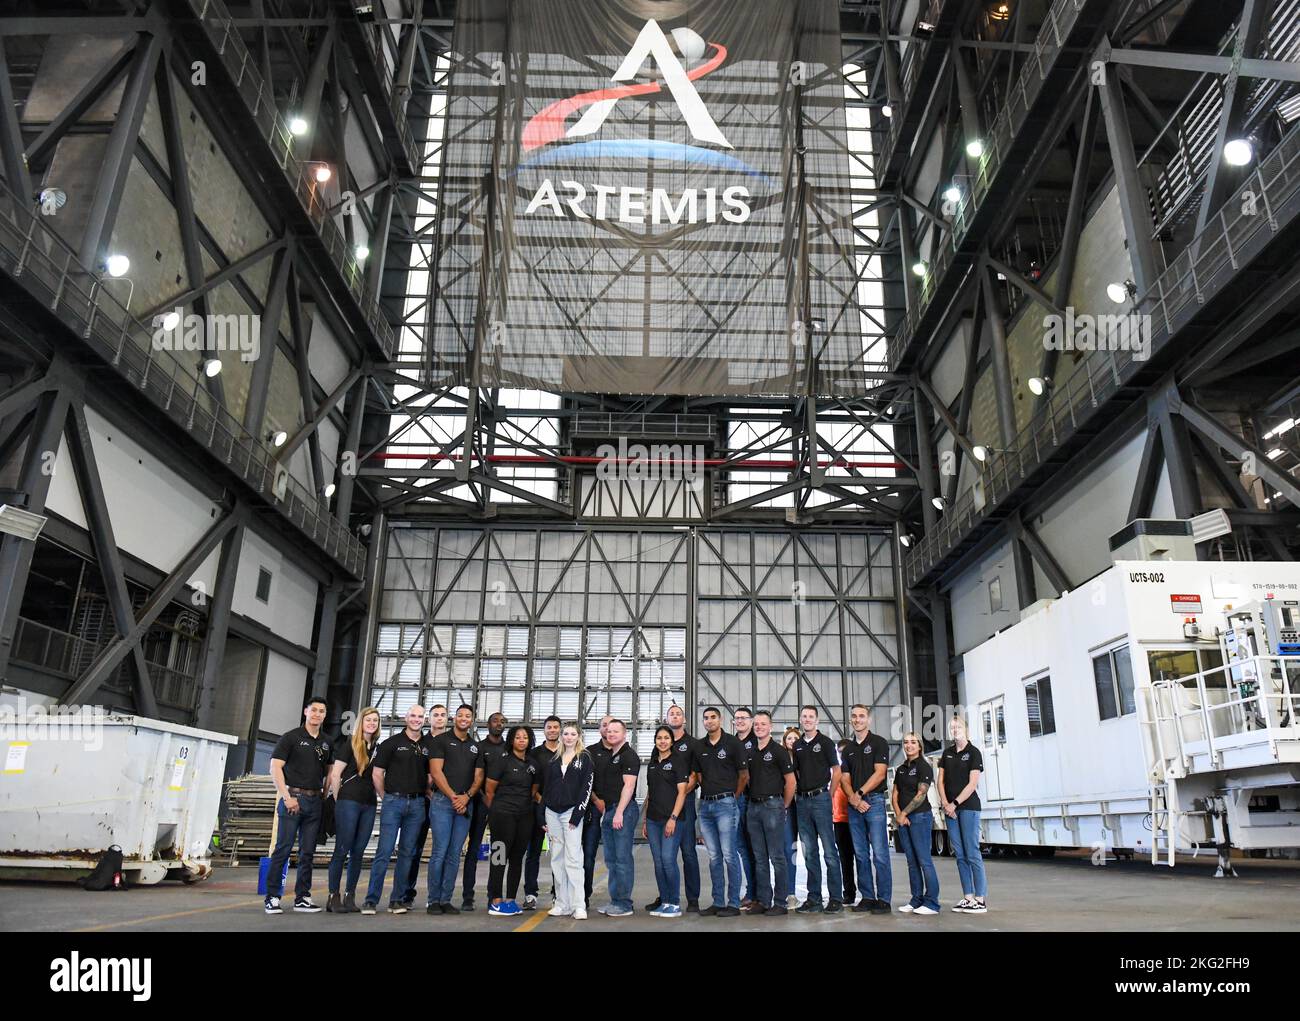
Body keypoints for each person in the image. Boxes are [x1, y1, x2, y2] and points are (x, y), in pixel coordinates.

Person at [265, 697, 332, 913]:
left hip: (315, 802)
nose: (317, 714)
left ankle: (302, 897)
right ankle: (273, 897)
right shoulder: (291, 737)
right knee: (283, 849)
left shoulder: (326, 741)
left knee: (308, 853)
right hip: (292, 799)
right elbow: (275, 768)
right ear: (306, 712)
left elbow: (331, 770)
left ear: (325, 715)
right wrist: (286, 797)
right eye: (313, 710)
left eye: (321, 711)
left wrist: (325, 792)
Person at [361, 705, 430, 914]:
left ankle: (397, 900)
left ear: (424, 720)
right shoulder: (391, 743)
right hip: (394, 802)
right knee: (384, 851)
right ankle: (371, 900)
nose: (416, 720)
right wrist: (386, 797)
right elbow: (377, 773)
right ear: (405, 718)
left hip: (417, 805)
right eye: (413, 716)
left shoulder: (429, 746)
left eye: (420, 717)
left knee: (408, 853)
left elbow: (430, 775)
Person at [425, 704, 485, 914]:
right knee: (439, 852)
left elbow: (479, 777)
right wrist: (453, 797)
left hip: (464, 805)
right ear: (454, 718)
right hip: (443, 802)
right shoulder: (440, 741)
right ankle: (433, 900)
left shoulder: (476, 747)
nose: (464, 718)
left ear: (472, 720)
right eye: (460, 715)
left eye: (468, 716)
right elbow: (435, 771)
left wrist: (466, 797)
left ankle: (445, 899)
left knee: (454, 854)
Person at [694, 706, 748, 917]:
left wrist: (730, 798)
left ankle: (733, 904)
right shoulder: (699, 746)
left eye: (713, 717)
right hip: (705, 806)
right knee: (714, 856)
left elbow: (744, 775)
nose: (709, 721)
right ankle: (718, 901)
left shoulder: (733, 743)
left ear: (721, 719)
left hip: (726, 805)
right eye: (706, 718)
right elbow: (698, 775)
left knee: (729, 855)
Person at [791, 707, 845, 914]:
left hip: (821, 798)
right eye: (804, 717)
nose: (807, 720)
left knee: (830, 852)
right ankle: (814, 899)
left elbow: (837, 771)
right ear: (800, 720)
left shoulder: (825, 743)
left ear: (817, 720)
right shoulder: (796, 745)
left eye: (811, 717)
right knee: (810, 852)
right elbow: (795, 772)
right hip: (802, 802)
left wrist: (828, 795)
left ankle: (836, 898)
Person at [647, 704, 700, 913]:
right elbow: (652, 786)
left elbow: (695, 775)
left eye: (678, 713)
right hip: (657, 810)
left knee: (687, 852)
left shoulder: (692, 744)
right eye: (671, 714)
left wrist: (676, 805)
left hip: (681, 804)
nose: (675, 716)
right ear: (667, 718)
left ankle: (691, 899)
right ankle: (666, 898)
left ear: (684, 719)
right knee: (661, 859)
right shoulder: (655, 754)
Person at [839, 703, 892, 914]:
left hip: (875, 801)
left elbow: (880, 773)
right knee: (860, 854)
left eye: (861, 716)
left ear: (868, 719)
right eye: (854, 716)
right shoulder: (848, 749)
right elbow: (844, 778)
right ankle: (867, 897)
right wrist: (853, 799)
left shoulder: (879, 743)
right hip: (854, 805)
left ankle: (884, 899)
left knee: (879, 853)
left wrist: (859, 795)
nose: (857, 719)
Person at [326, 705, 380, 913]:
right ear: (361, 722)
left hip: (369, 803)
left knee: (358, 852)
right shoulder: (350, 744)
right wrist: (340, 799)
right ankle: (333, 896)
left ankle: (350, 895)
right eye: (368, 720)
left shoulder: (377, 747)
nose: (372, 723)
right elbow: (335, 774)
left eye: (375, 720)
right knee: (343, 848)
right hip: (349, 801)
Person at [743, 712, 795, 915]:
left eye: (763, 724)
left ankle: (780, 903)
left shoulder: (779, 751)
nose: (759, 727)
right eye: (756, 724)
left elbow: (790, 782)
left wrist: (784, 805)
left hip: (773, 806)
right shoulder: (750, 751)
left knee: (777, 856)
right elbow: (746, 778)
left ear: (770, 727)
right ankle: (763, 901)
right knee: (759, 857)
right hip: (753, 808)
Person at [485, 725, 540, 916]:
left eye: (525, 737)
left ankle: (510, 901)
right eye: (518, 737)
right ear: (512, 740)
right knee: (499, 858)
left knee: (516, 859)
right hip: (502, 815)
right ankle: (495, 900)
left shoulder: (533, 763)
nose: (522, 740)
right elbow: (490, 789)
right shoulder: (502, 760)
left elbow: (533, 790)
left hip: (524, 816)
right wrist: (497, 811)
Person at [398, 702, 446, 908]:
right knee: (414, 849)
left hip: (443, 802)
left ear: (447, 719)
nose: (439, 718)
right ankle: (407, 893)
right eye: (435, 715)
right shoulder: (421, 742)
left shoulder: (451, 743)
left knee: (442, 850)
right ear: (429, 719)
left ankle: (438, 897)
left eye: (443, 715)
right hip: (421, 802)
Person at [544, 722, 594, 919]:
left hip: (572, 813)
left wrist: (577, 815)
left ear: (579, 736)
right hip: (552, 813)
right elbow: (546, 789)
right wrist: (543, 814)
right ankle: (561, 903)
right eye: (566, 734)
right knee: (557, 858)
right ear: (561, 736)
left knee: (573, 858)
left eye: (573, 734)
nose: (569, 737)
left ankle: (578, 904)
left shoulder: (585, 759)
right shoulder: (554, 759)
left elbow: (586, 789)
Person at [939, 715, 988, 914]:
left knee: (971, 852)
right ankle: (968, 897)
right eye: (952, 727)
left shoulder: (973, 752)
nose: (955, 729)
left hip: (968, 807)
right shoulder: (947, 753)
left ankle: (980, 899)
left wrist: (955, 803)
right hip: (950, 810)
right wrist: (945, 803)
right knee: (959, 854)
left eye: (958, 726)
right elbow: (940, 780)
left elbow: (972, 783)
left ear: (965, 729)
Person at [642, 725, 690, 918]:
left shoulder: (678, 761)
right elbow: (650, 793)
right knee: (658, 862)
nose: (662, 741)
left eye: (666, 738)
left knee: (668, 860)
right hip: (653, 820)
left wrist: (673, 818)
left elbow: (682, 792)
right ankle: (665, 900)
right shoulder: (652, 763)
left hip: (672, 820)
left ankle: (674, 903)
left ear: (672, 741)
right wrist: (645, 820)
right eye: (659, 738)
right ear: (655, 741)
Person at [462, 711, 508, 910]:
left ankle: (493, 896)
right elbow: (476, 779)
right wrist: (486, 800)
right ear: (488, 724)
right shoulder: (479, 748)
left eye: (502, 721)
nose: (499, 724)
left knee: (498, 852)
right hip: (481, 805)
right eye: (495, 721)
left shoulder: (510, 748)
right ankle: (467, 897)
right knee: (473, 850)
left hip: (502, 808)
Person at [595, 718, 640, 916]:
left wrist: (619, 812)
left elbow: (628, 787)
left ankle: (624, 903)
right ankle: (615, 901)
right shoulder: (611, 756)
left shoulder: (628, 756)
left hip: (623, 811)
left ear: (625, 734)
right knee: (611, 860)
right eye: (609, 731)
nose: (611, 734)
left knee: (622, 859)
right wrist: (608, 812)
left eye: (616, 731)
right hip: (610, 810)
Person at [893, 731, 940, 915]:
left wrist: (904, 813)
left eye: (913, 742)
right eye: (906, 742)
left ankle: (932, 903)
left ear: (919, 746)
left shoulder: (924, 766)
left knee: (924, 861)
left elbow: (921, 795)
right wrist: (899, 816)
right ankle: (916, 899)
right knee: (911, 862)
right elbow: (895, 793)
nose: (909, 745)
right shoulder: (901, 768)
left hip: (920, 817)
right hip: (903, 820)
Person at [523, 715, 561, 910]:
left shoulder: (566, 752)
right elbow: (529, 781)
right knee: (533, 852)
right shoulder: (535, 754)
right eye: (549, 727)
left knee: (558, 853)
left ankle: (558, 894)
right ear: (544, 730)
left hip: (560, 811)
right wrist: (540, 800)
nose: (552, 730)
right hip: (537, 808)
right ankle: (530, 894)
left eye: (556, 727)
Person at [583, 715, 614, 907]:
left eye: (612, 726)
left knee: (617, 857)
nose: (608, 730)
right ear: (599, 729)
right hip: (593, 810)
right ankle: (583, 896)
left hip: (617, 811)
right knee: (588, 855)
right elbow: (585, 780)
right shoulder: (590, 752)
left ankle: (619, 899)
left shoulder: (624, 752)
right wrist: (596, 800)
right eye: (604, 726)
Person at [732, 706, 758, 907]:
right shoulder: (731, 743)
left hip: (751, 800)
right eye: (737, 718)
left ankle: (756, 892)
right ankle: (751, 891)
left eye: (743, 718)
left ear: (751, 720)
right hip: (732, 800)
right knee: (740, 846)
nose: (739, 721)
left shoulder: (757, 742)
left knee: (753, 847)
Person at [833, 740, 857, 906]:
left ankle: (868, 893)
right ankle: (849, 893)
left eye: (845, 751)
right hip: (839, 821)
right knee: (845, 860)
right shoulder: (836, 772)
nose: (842, 754)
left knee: (861, 857)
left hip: (855, 819)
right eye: (840, 752)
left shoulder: (856, 771)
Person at [782, 727, 801, 902]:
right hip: (782, 807)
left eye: (796, 738)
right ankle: (784, 891)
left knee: (793, 849)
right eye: (789, 738)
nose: (792, 740)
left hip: (799, 807)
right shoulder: (779, 758)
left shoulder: (804, 759)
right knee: (783, 850)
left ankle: (792, 892)